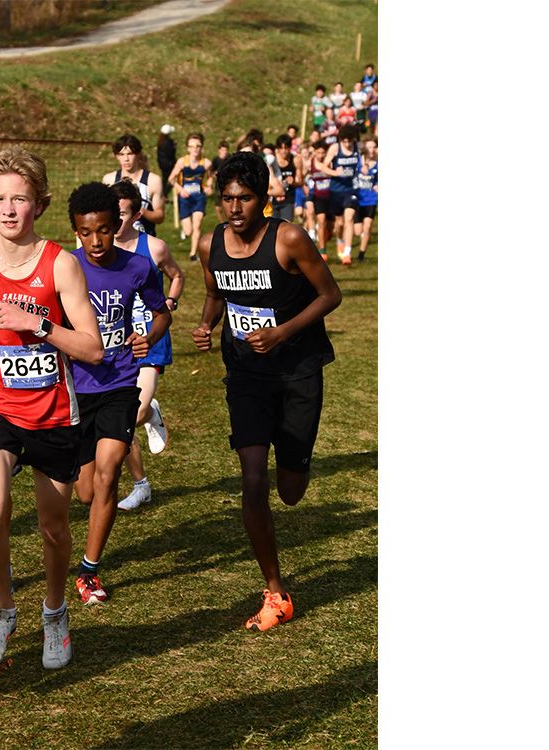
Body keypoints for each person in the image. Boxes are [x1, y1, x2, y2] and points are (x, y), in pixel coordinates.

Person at [0, 146, 104, 671]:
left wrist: (38, 325)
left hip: (54, 412)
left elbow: (93, 348)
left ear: (39, 204)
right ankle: (4, 610)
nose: (9, 210)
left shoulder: (62, 265)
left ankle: (55, 612)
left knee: (54, 528)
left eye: (20, 199)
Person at [191, 151, 341, 633]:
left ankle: (297, 460)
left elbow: (330, 295)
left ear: (263, 198)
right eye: (227, 199)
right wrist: (207, 322)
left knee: (291, 489)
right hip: (247, 374)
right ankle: (275, 590)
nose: (235, 209)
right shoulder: (208, 242)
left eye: (245, 199)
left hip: (297, 370)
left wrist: (281, 332)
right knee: (252, 477)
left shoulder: (288, 238)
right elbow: (217, 291)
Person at [67, 182, 172, 603]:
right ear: (76, 230)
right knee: (86, 491)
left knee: (109, 474)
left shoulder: (138, 268)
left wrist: (147, 335)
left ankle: (89, 571)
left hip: (119, 383)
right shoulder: (64, 267)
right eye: (86, 232)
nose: (96, 241)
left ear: (119, 225)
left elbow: (161, 314)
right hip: (74, 389)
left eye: (105, 230)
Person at [111, 180, 184, 511]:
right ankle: (141, 485)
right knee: (117, 417)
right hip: (114, 343)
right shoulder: (99, 250)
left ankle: (150, 410)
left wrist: (170, 301)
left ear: (137, 213)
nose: (114, 221)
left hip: (150, 339)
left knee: (135, 411)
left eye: (122, 214)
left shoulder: (153, 247)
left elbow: (177, 275)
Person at [103, 133, 165, 236]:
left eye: (130, 154)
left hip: (143, 240)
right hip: (116, 242)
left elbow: (160, 216)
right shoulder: (109, 180)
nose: (126, 159)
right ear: (116, 156)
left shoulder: (153, 181)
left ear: (138, 154)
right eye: (121, 154)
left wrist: (141, 211)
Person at [318, 124, 361, 265]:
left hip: (351, 189)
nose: (348, 144)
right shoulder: (335, 148)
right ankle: (340, 240)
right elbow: (323, 167)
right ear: (340, 139)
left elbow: (370, 156)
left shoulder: (358, 147)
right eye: (345, 141)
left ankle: (347, 253)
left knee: (349, 219)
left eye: (350, 141)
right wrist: (335, 172)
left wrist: (365, 165)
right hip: (336, 190)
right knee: (340, 222)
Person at [168, 132, 213, 262]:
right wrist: (180, 189)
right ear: (187, 148)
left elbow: (210, 177)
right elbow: (171, 179)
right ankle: (186, 233)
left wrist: (209, 186)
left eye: (198, 146)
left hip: (199, 197)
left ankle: (193, 254)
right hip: (185, 198)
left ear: (202, 147)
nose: (195, 149)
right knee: (189, 231)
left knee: (197, 225)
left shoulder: (206, 163)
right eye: (192, 146)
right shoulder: (182, 162)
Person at [305, 140, 332, 261]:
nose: (321, 155)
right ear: (315, 152)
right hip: (318, 196)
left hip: (331, 196)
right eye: (319, 153)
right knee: (321, 221)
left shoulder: (331, 163)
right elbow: (303, 177)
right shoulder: (309, 163)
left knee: (334, 225)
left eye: (323, 153)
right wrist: (306, 186)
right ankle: (323, 252)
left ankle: (330, 235)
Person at [352, 138, 378, 262]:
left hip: (371, 199)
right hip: (358, 198)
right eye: (369, 147)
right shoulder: (358, 161)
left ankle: (361, 255)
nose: (371, 150)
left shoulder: (379, 163)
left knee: (367, 227)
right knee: (358, 231)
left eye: (374, 147)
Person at [270, 134, 304, 223]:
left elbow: (300, 182)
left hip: (288, 199)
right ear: (277, 149)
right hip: (273, 199)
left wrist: (293, 182)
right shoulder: (272, 161)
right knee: (273, 228)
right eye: (281, 148)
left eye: (286, 148)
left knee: (286, 227)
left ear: (290, 148)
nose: (284, 151)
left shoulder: (296, 160)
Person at [212, 140, 231, 222]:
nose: (224, 152)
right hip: (218, 185)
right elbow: (212, 172)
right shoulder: (215, 160)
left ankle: (229, 222)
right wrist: (215, 174)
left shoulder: (230, 159)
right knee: (218, 207)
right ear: (219, 150)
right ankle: (222, 223)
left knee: (227, 205)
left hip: (228, 185)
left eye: (226, 150)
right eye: (223, 150)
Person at [157, 124, 177, 199]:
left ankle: (161, 193)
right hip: (169, 165)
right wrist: (174, 147)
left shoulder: (160, 141)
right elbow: (171, 154)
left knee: (164, 179)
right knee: (173, 179)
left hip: (162, 164)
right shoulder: (168, 143)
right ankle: (164, 194)